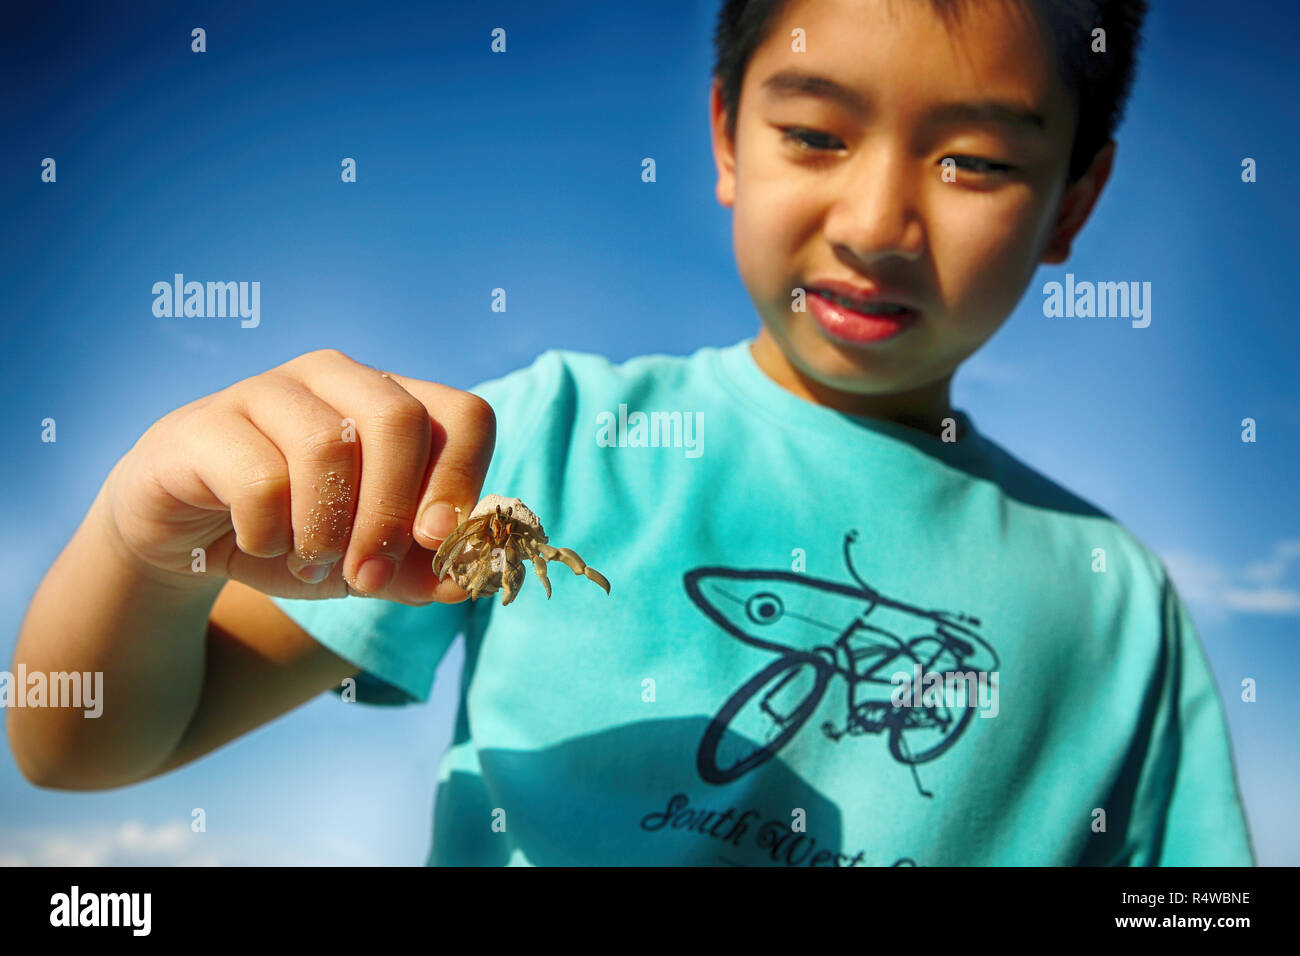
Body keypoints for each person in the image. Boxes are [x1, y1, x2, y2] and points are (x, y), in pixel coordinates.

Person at [9, 0, 1255, 866]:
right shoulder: (538, 441)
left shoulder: (1117, 602)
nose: (877, 219)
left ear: (1071, 202)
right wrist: (144, 536)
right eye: (814, 133)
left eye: (975, 161)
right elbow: (83, 740)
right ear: (724, 136)